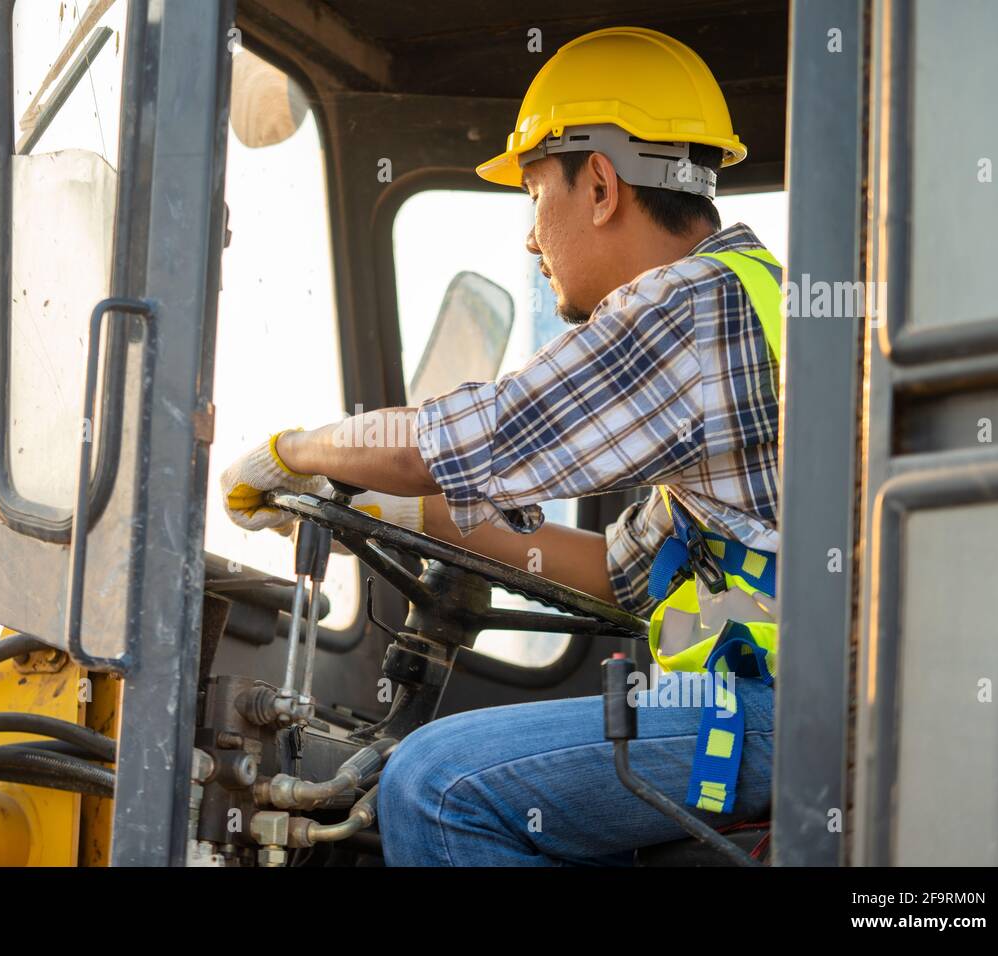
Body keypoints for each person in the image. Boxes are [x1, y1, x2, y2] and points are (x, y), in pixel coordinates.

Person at [220, 26, 781, 866]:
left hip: (772, 714)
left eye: (530, 195)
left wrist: (296, 450)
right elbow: (615, 575)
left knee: (432, 788)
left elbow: (459, 438)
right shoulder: (745, 303)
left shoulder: (692, 305)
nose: (529, 237)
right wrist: (402, 509)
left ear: (598, 183)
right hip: (765, 707)